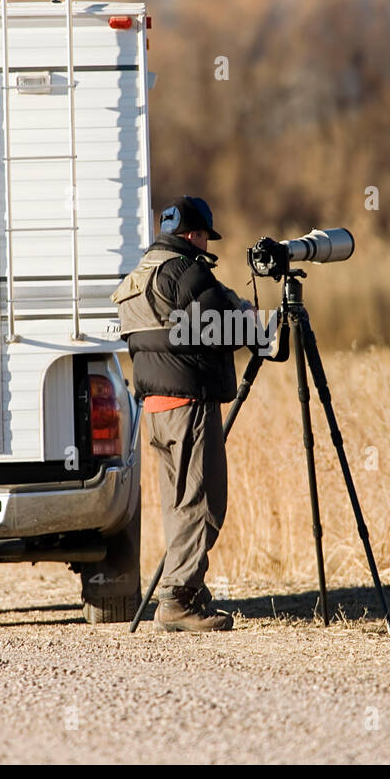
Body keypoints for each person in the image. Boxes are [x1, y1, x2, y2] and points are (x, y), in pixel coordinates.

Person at [112, 195, 260, 631]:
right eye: (204, 237)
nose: (206, 245)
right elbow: (226, 330)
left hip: (154, 410)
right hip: (189, 406)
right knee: (203, 503)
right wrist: (248, 314)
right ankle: (177, 600)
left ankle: (186, 589)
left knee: (178, 506)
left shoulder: (138, 277)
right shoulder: (187, 271)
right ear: (193, 234)